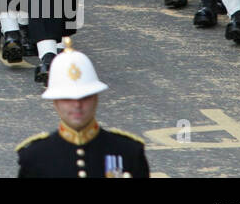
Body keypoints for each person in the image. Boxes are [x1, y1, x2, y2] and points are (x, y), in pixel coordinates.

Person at [16, 39, 149, 177]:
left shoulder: (127, 151)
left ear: (96, 98)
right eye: (67, 98)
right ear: (55, 102)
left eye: (85, 97)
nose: (77, 105)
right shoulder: (35, 156)